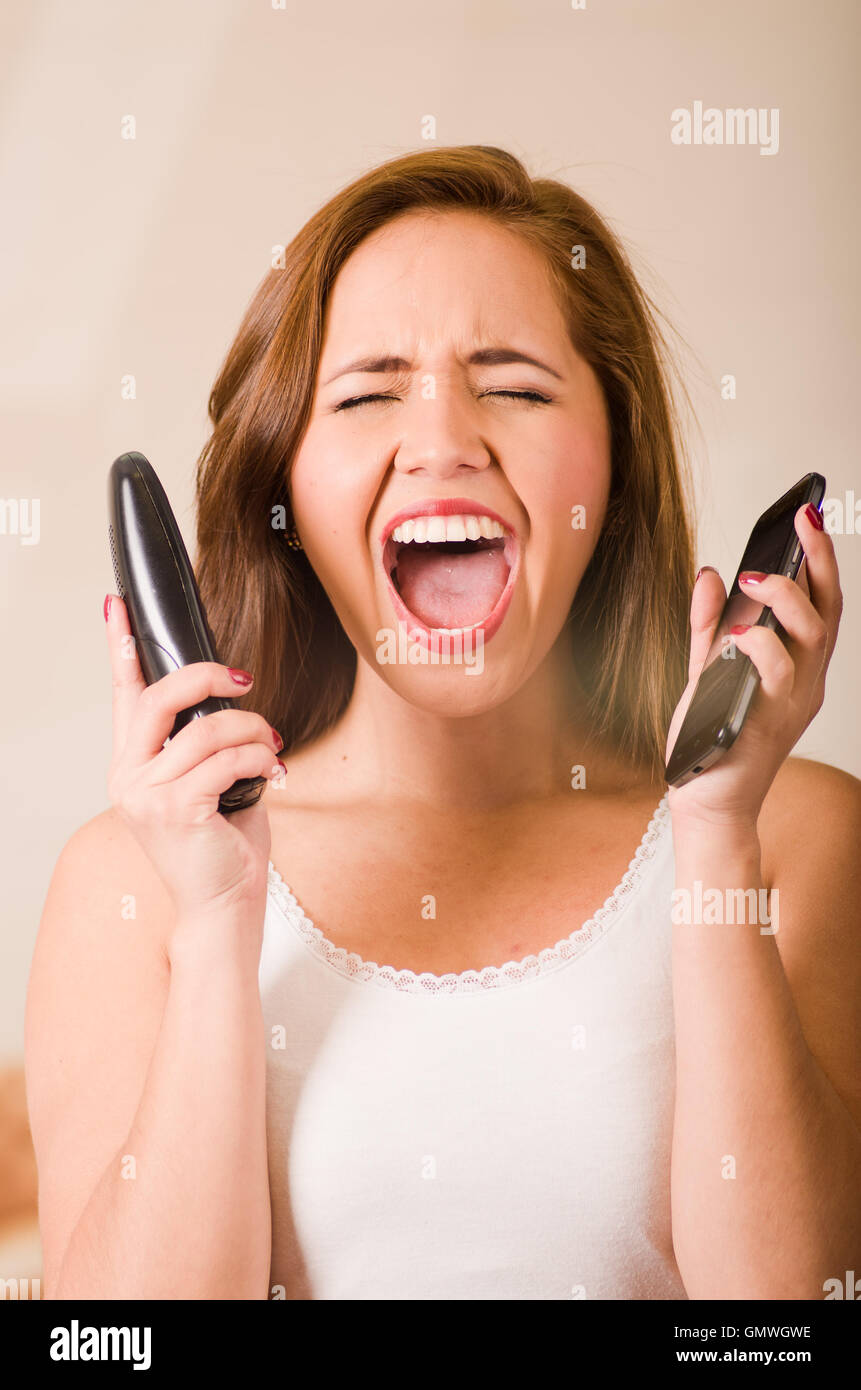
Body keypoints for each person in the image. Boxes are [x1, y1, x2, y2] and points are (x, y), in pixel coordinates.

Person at [26, 146, 860, 1300]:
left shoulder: (796, 832)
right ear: (292, 495)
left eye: (514, 385)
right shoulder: (131, 883)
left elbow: (785, 1324)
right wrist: (220, 922)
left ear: (611, 467)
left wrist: (715, 831)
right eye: (367, 395)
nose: (445, 442)